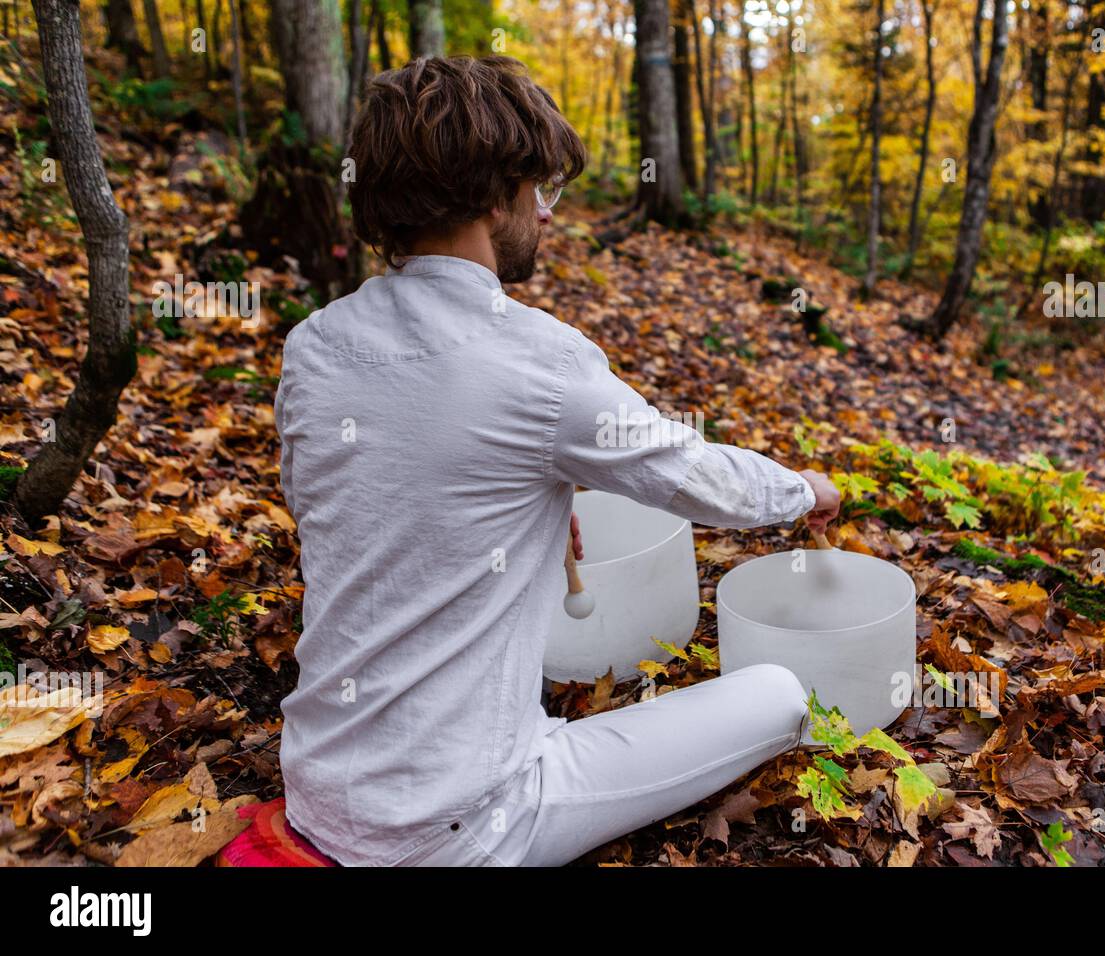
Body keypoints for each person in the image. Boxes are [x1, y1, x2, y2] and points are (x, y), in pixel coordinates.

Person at [273, 55, 841, 867]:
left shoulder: (314, 346)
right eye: (539, 189)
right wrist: (805, 490)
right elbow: (701, 480)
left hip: (318, 793)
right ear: (490, 192)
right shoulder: (539, 361)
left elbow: (344, 508)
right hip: (464, 823)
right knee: (782, 696)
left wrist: (517, 518)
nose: (547, 214)